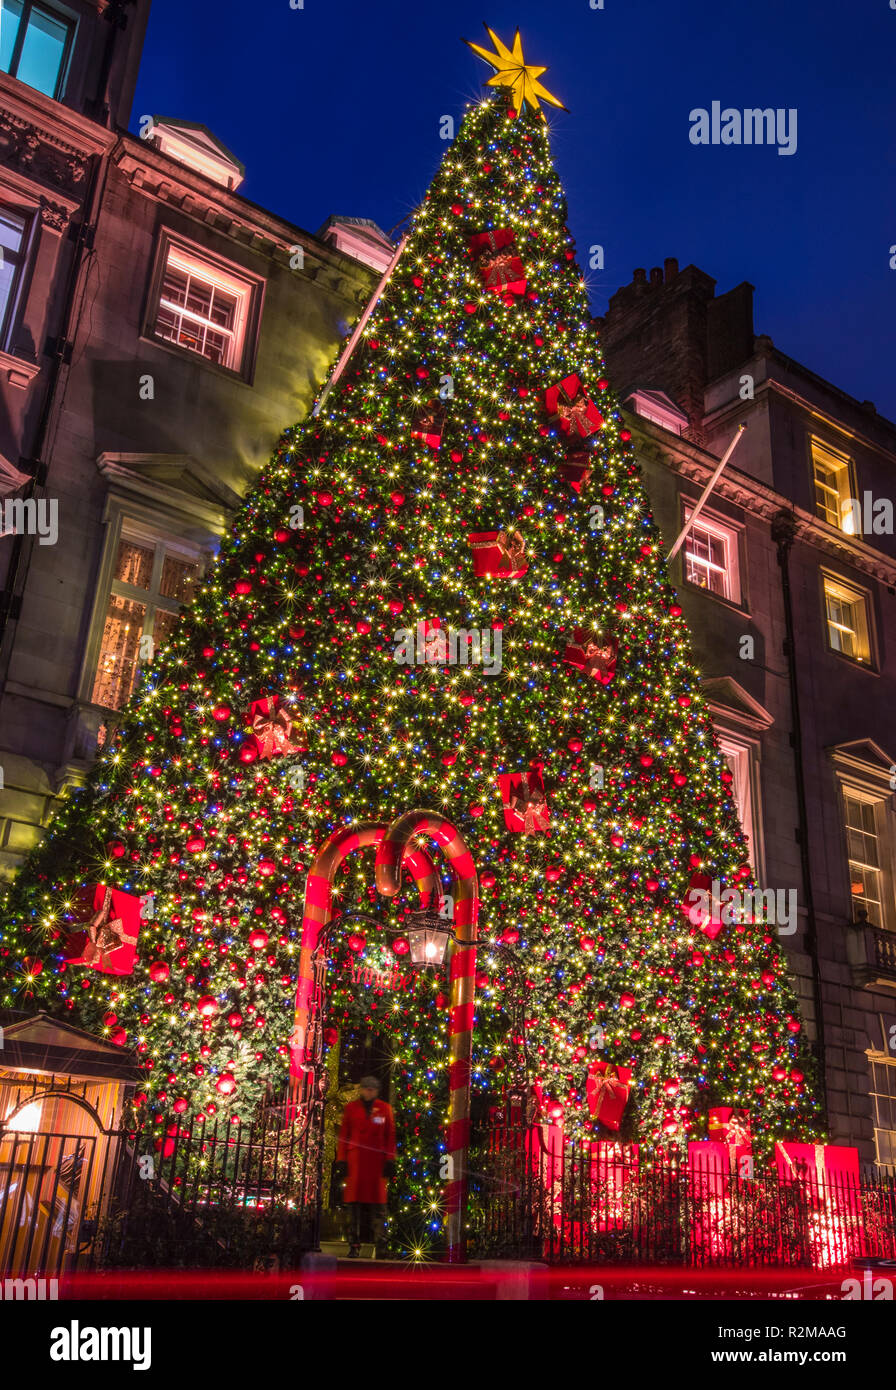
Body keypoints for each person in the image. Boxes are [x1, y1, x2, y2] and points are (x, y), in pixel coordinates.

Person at [333, 1075, 396, 1258]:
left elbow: (389, 1136)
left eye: (372, 1089)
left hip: (376, 1164)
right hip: (356, 1164)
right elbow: (344, 1135)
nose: (369, 1092)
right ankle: (354, 1244)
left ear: (376, 1091)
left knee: (379, 1209)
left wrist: (390, 1159)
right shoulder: (351, 1109)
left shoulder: (385, 1109)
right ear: (361, 1090)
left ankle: (381, 1245)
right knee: (353, 1208)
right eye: (366, 1088)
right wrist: (342, 1160)